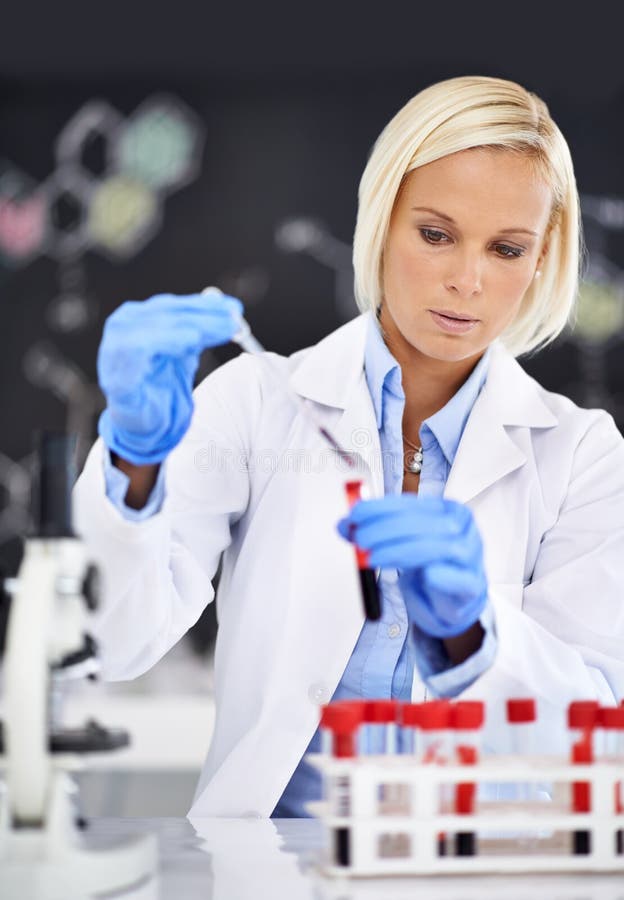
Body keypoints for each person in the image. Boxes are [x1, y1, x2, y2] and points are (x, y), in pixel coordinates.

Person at [74, 75, 624, 818]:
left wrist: (476, 637)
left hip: (482, 866)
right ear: (382, 217)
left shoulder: (582, 455)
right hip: (268, 866)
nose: (467, 280)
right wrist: (135, 458)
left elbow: (594, 733)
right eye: (435, 234)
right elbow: (113, 642)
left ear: (540, 260)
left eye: (506, 248)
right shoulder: (256, 404)